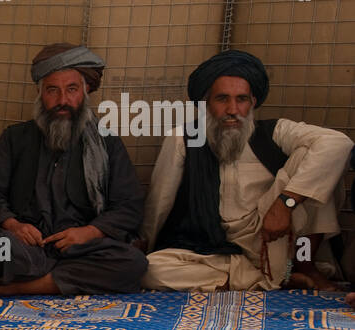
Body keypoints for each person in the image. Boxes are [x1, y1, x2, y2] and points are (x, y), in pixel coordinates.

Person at [142, 49, 353, 292]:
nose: (233, 109)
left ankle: (305, 268)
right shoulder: (184, 138)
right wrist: (146, 245)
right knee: (149, 269)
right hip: (211, 248)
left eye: (241, 99)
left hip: (274, 239)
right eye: (222, 99)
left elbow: (339, 143)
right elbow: (160, 203)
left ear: (253, 102)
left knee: (317, 160)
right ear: (206, 104)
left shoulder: (275, 132)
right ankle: (274, 279)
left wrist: (286, 202)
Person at [0, 43, 147, 297]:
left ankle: (18, 286)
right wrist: (14, 226)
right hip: (24, 248)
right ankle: (64, 277)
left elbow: (129, 206)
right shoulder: (15, 139)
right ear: (40, 93)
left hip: (82, 248)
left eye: (71, 89)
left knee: (132, 262)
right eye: (52, 91)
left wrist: (88, 233)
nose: (63, 101)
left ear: (85, 90)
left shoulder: (106, 142)